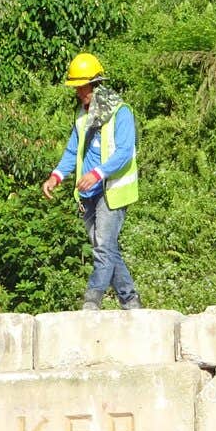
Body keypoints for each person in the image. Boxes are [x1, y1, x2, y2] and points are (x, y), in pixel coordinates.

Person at [41, 52, 141, 310]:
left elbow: (124, 153)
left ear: (95, 84)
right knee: (105, 248)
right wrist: (56, 176)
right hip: (87, 195)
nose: (77, 92)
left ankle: (91, 300)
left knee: (103, 249)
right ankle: (130, 301)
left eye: (81, 87)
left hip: (112, 191)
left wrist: (97, 173)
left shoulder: (121, 112)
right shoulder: (81, 114)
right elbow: (73, 150)